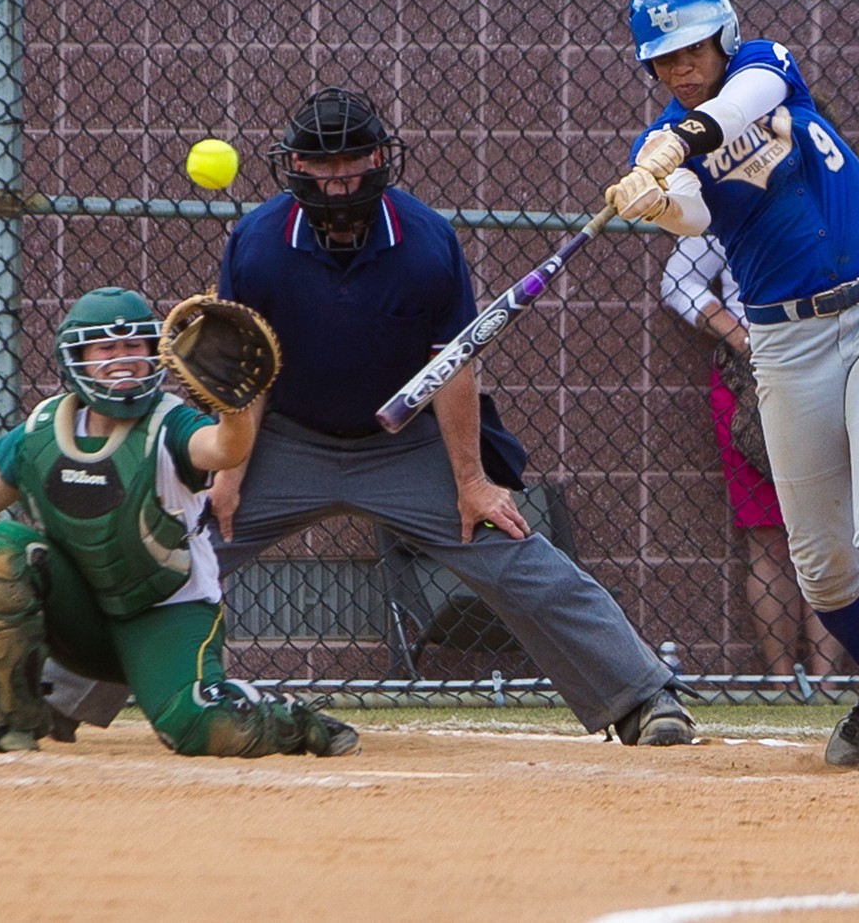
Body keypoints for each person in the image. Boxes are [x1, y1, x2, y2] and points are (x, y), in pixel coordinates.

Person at [198, 85, 694, 746]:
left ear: (381, 158)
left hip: (403, 446)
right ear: (293, 166)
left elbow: (454, 366)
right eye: (319, 162)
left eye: (352, 158)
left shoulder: (425, 241)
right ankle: (55, 686)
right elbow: (246, 369)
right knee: (181, 541)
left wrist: (469, 479)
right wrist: (230, 468)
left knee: (510, 545)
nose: (337, 176)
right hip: (286, 440)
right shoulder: (257, 242)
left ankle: (643, 697)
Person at [606, 0, 859, 774]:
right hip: (783, 343)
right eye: (665, 59)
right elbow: (693, 211)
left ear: (721, 34)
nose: (681, 68)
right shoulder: (667, 142)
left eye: (692, 48)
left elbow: (737, 109)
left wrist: (672, 142)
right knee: (821, 569)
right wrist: (654, 200)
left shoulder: (765, 65)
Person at [0, 286, 358, 758]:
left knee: (200, 730)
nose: (122, 360)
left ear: (156, 353)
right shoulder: (41, 428)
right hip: (82, 618)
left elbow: (222, 450)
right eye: (105, 348)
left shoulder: (170, 422)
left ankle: (288, 717)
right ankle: (13, 715)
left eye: (134, 347)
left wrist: (234, 409)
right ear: (75, 358)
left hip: (164, 613)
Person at [660, 234, 845, 684]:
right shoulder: (728, 201)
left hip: (830, 367)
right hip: (751, 377)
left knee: (832, 533)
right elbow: (678, 282)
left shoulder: (839, 192)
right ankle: (783, 681)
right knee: (767, 536)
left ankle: (826, 682)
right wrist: (742, 339)